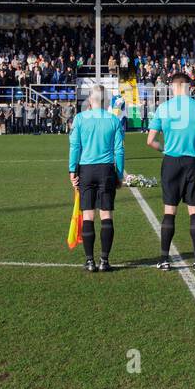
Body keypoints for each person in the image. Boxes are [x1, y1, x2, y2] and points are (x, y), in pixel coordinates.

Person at [146, 71, 195, 271]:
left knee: (170, 210)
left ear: (173, 87)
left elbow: (150, 141)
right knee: (194, 209)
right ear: (189, 87)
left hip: (171, 162)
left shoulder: (164, 108)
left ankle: (164, 258)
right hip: (193, 162)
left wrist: (165, 149)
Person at [67, 86, 126, 272]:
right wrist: (119, 174)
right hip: (106, 170)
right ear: (106, 101)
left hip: (86, 170)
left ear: (90, 100)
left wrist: (71, 170)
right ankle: (104, 261)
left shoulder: (80, 118)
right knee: (106, 214)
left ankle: (90, 261)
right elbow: (119, 150)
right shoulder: (113, 120)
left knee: (88, 215)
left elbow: (75, 147)